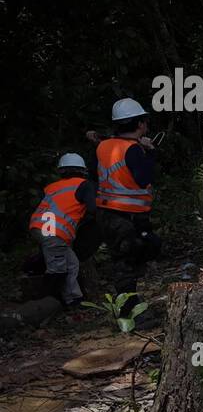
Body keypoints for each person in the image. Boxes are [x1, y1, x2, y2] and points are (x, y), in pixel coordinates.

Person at [86, 98, 161, 309]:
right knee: (125, 261)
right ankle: (129, 310)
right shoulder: (134, 149)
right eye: (144, 122)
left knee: (144, 248)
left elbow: (94, 172)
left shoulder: (103, 146)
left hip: (113, 213)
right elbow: (144, 177)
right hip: (123, 216)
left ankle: (131, 301)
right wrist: (151, 152)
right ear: (139, 124)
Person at [27, 153, 95, 306]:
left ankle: (74, 299)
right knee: (57, 269)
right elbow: (93, 209)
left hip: (40, 226)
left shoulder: (53, 186)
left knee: (72, 263)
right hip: (53, 231)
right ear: (83, 170)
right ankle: (45, 302)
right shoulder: (84, 185)